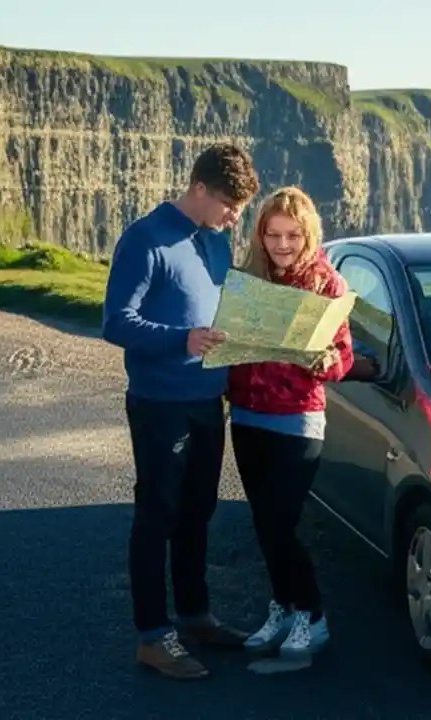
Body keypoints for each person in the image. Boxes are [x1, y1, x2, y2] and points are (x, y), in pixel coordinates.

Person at [101, 142, 260, 680]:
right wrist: (182, 340)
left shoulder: (215, 242)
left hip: (206, 402)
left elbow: (222, 308)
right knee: (158, 515)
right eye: (229, 205)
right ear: (199, 189)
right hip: (160, 404)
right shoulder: (145, 240)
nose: (234, 216)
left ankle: (196, 618)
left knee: (198, 513)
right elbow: (115, 323)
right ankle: (152, 635)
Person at [226, 186, 354, 662]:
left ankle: (312, 617)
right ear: (260, 235)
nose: (281, 245)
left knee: (282, 523)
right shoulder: (247, 279)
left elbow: (343, 358)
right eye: (272, 234)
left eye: (292, 236)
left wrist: (324, 359)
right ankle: (281, 606)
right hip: (245, 414)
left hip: (297, 418)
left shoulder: (326, 284)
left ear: (308, 235)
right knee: (264, 523)